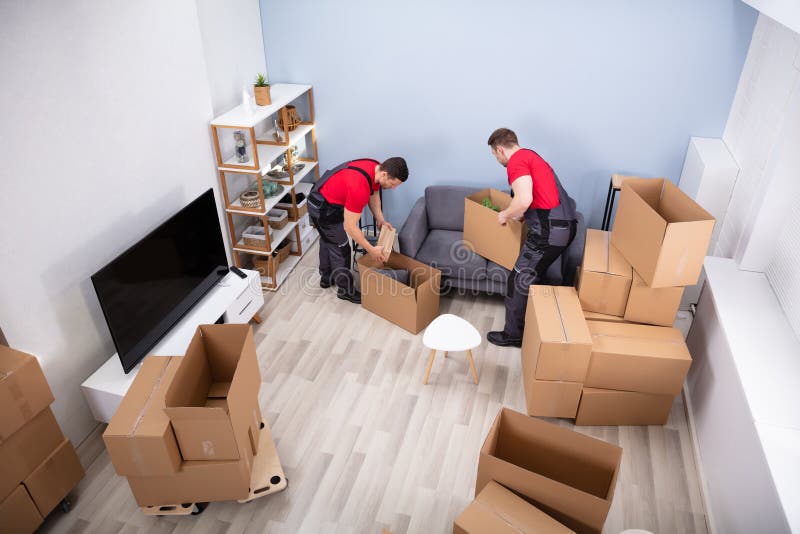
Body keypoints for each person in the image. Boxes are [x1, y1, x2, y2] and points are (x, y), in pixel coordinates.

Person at [485, 128, 578, 347]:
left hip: (550, 233)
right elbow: (542, 196)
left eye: (494, 155)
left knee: (518, 280)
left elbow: (524, 199)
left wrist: (505, 214)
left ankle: (513, 335)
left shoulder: (516, 162)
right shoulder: (531, 156)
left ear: (499, 149)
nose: (497, 159)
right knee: (534, 277)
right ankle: (538, 326)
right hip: (565, 226)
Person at [307, 157, 409, 303]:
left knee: (328, 239)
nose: (393, 188)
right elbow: (350, 227)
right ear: (385, 174)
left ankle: (326, 277)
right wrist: (371, 249)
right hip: (322, 207)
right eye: (393, 184)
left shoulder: (375, 167)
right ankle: (345, 290)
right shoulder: (359, 187)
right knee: (341, 248)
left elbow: (373, 195)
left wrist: (380, 219)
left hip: (327, 198)